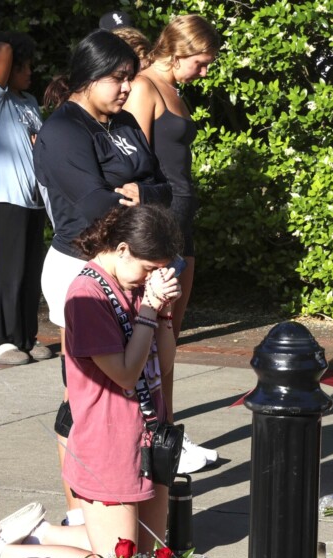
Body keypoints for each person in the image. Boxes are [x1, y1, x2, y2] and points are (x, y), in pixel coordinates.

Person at [0, 204, 182, 558]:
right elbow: (123, 373)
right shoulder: (87, 295)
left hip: (149, 440)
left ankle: (40, 535)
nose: (151, 278)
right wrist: (150, 310)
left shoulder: (135, 285)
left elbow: (162, 366)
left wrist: (164, 311)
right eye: (149, 268)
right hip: (109, 445)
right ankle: (2, 555)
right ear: (121, 249)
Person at [35, 29, 172, 527]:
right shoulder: (63, 131)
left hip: (132, 262)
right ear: (89, 76)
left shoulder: (121, 122)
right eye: (118, 79)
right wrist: (135, 195)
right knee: (89, 393)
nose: (125, 89)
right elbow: (95, 206)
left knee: (139, 383)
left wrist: (138, 191)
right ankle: (82, 508)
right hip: (83, 266)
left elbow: (163, 188)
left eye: (130, 79)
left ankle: (130, 486)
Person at [121, 14, 220, 473]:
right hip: (160, 221)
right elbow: (130, 161)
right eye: (200, 63)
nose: (205, 72)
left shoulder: (172, 89)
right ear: (179, 51)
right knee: (154, 331)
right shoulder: (144, 86)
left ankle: (167, 432)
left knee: (169, 337)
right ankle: (154, 436)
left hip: (182, 219)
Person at [0, 31, 53, 366]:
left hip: (33, 199)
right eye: (25, 66)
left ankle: (24, 337)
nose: (30, 72)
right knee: (8, 270)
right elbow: (4, 50)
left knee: (29, 270)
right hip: (6, 197)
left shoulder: (30, 102)